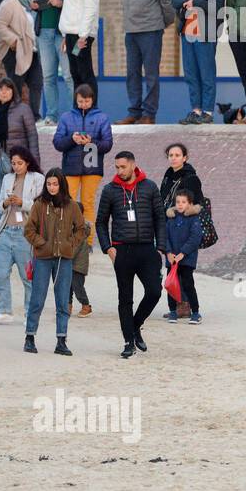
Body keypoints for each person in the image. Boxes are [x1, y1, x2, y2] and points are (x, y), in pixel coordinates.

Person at [96, 150, 169, 358]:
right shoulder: (110, 190)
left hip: (147, 249)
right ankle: (128, 341)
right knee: (125, 298)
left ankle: (136, 325)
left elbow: (160, 219)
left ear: (133, 165)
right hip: (121, 250)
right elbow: (100, 222)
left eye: (123, 167)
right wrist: (107, 248)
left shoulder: (150, 187)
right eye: (117, 167)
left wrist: (160, 247)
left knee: (154, 291)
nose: (120, 171)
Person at [22, 167, 87, 356]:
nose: (51, 187)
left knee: (62, 302)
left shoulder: (72, 206)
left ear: (61, 185)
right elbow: (29, 230)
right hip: (42, 258)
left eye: (55, 184)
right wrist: (41, 243)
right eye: (49, 184)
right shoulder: (39, 204)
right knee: (37, 299)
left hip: (64, 260)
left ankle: (61, 341)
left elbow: (82, 229)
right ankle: (30, 337)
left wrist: (70, 245)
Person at [118, 0, 175, 124]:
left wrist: (164, 22)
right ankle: (134, 112)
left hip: (150, 30)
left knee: (151, 74)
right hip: (131, 31)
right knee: (132, 73)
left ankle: (149, 114)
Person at [0, 146, 44, 325]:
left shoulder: (37, 178)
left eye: (20, 163)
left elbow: (40, 206)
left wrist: (22, 202)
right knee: (1, 273)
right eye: (13, 163)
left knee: (27, 277)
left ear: (28, 163)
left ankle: (30, 313)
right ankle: (4, 310)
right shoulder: (7, 178)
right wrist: (5, 203)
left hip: (25, 234)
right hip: (6, 230)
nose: (16, 167)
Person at [170, 0, 227, 124]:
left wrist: (195, 2)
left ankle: (208, 112)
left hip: (205, 33)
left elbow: (217, 7)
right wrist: (187, 1)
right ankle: (196, 110)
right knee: (191, 74)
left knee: (206, 73)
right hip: (188, 33)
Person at [53, 83, 111, 244]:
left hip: (92, 167)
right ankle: (68, 238)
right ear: (75, 100)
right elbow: (57, 143)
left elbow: (107, 144)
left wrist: (91, 142)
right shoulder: (66, 117)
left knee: (88, 204)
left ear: (92, 100)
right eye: (80, 101)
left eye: (86, 101)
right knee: (68, 203)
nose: (83, 104)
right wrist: (72, 139)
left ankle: (88, 241)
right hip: (70, 167)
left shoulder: (102, 117)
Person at [32, 0, 75, 123]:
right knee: (48, 76)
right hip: (44, 30)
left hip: (63, 32)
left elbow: (77, 2)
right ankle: (51, 115)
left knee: (68, 76)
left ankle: (76, 114)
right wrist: (35, 2)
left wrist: (61, 2)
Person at [0, 0, 41, 118]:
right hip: (14, 50)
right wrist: (12, 40)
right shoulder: (10, 2)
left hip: (32, 49)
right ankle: (14, 115)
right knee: (16, 85)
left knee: (36, 83)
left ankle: (34, 116)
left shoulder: (32, 3)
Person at [0, 77, 38, 204]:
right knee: (0, 198)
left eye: (7, 89)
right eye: (0, 89)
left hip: (18, 161)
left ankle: (17, 224)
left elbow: (32, 137)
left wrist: (35, 164)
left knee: (18, 195)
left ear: (13, 91)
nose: (4, 92)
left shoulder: (23, 109)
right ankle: (2, 224)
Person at [58, 0, 100, 96]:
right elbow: (71, 9)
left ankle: (91, 111)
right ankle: (79, 110)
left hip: (80, 35)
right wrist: (65, 35)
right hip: (72, 34)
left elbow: (90, 7)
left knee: (84, 73)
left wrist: (83, 35)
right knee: (75, 73)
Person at [162, 190, 204, 325]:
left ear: (189, 203)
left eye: (183, 202)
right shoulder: (171, 218)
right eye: (178, 202)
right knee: (171, 285)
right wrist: (168, 252)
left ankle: (196, 312)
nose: (180, 205)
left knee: (188, 285)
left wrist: (183, 253)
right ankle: (173, 311)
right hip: (172, 259)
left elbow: (195, 238)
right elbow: (165, 236)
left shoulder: (194, 219)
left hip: (186, 259)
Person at [159, 142, 204, 218]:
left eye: (177, 155)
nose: (173, 158)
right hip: (166, 220)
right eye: (171, 155)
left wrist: (172, 210)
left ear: (184, 158)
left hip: (183, 221)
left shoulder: (191, 178)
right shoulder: (168, 176)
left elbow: (193, 203)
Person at [70, 220, 93, 319]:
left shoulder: (81, 231)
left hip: (78, 266)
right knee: (68, 287)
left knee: (77, 287)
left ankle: (86, 306)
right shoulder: (74, 228)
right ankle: (68, 306)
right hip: (71, 265)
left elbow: (74, 249)